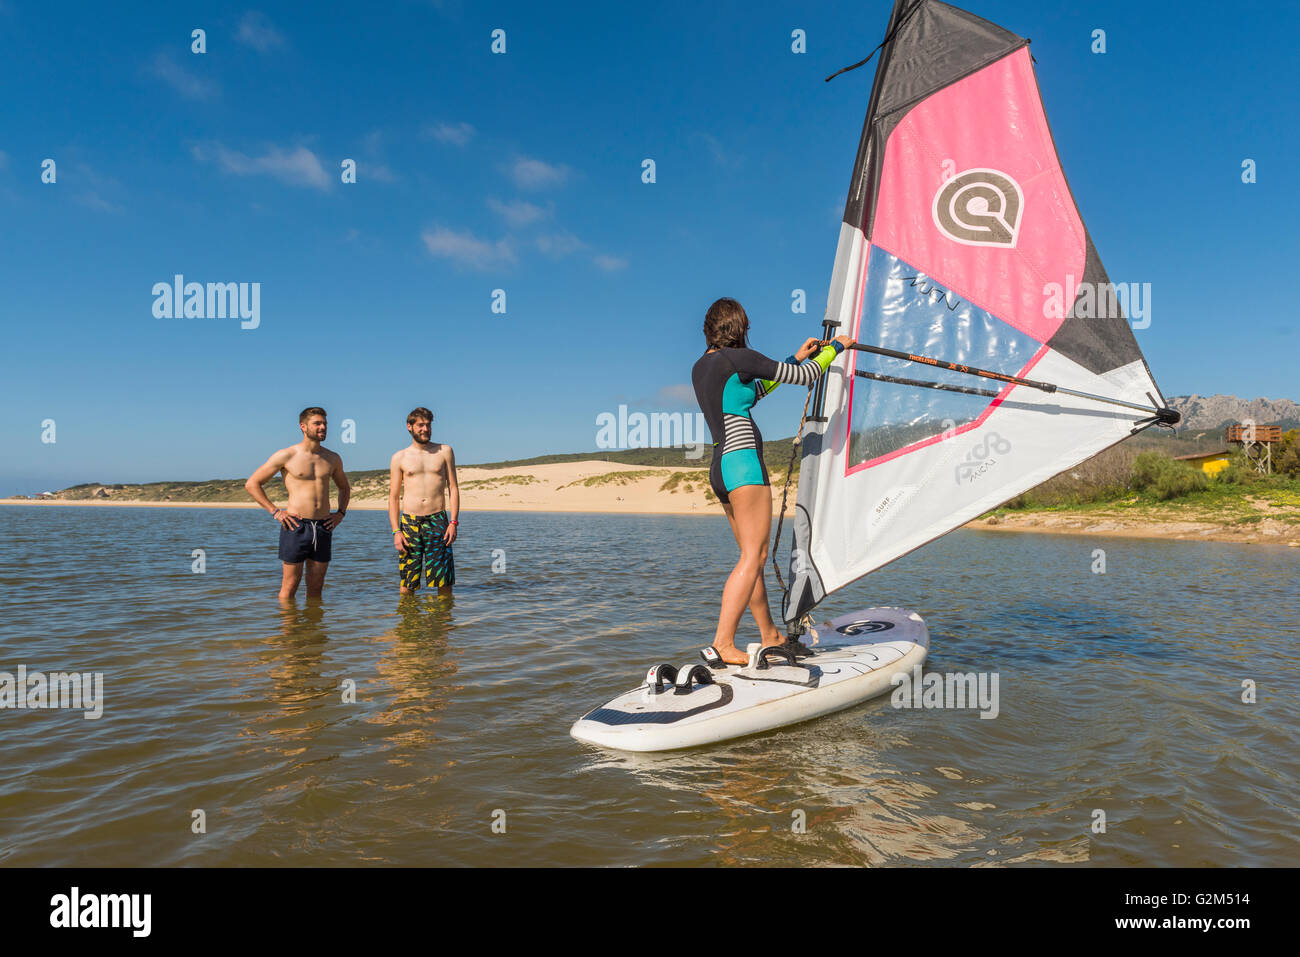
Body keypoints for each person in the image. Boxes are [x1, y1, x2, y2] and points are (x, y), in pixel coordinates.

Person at [692, 298, 852, 665]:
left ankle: (770, 635)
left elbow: (756, 391)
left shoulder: (703, 366)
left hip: (720, 466)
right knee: (754, 555)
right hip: (744, 462)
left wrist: (794, 359)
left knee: (753, 556)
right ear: (740, 326)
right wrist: (839, 348)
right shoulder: (740, 357)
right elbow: (809, 377)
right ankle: (722, 643)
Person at [245, 407, 350, 600]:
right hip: (296, 525)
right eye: (317, 423)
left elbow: (345, 487)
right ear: (303, 426)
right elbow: (252, 484)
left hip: (323, 527)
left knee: (316, 588)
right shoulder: (287, 455)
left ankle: (314, 630)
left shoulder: (332, 458)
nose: (323, 427)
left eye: (325, 423)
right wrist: (276, 512)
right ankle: (288, 629)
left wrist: (340, 514)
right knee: (290, 586)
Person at [389, 407, 459, 595]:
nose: (425, 429)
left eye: (428, 425)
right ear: (409, 427)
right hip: (410, 522)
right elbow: (394, 497)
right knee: (408, 581)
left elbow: (453, 488)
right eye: (420, 425)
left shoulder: (444, 451)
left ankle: (443, 622)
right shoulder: (399, 457)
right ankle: (408, 622)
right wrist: (396, 531)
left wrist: (453, 522)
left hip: (438, 521)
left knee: (443, 580)